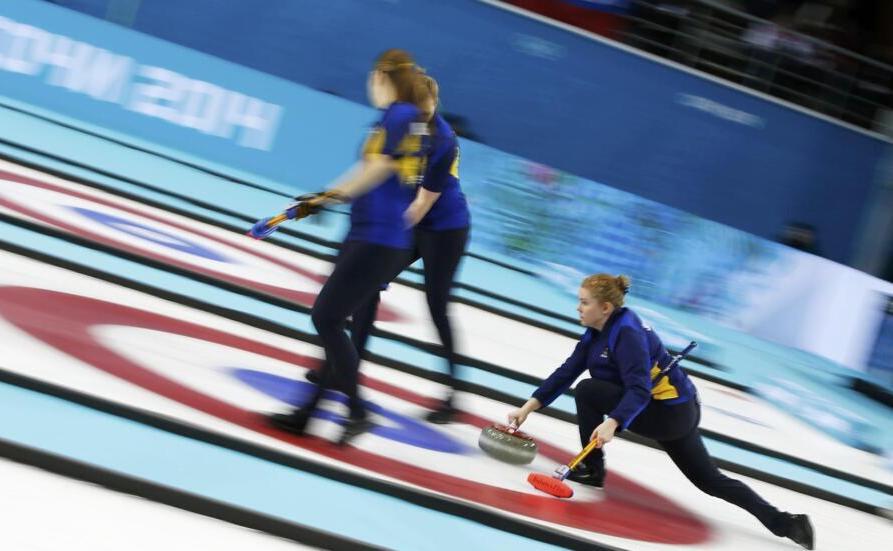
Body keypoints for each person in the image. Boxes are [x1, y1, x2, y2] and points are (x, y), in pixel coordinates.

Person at [507, 274, 815, 550]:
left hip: (670, 413)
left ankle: (592, 468)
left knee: (589, 389)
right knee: (709, 480)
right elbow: (567, 371)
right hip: (674, 410)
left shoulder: (627, 334)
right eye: (579, 301)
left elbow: (639, 389)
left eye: (584, 302)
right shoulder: (596, 332)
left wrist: (612, 422)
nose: (578, 307)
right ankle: (788, 523)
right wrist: (528, 407)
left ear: (605, 308)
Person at [269, 49, 432, 445]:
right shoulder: (410, 120)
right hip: (373, 235)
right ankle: (307, 414)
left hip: (376, 238)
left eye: (371, 80)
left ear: (381, 76)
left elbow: (377, 169)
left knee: (326, 319)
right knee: (334, 322)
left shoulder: (399, 116)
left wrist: (328, 197)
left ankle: (357, 410)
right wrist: (328, 197)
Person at [304, 72, 472, 424]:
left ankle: (453, 395)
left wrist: (379, 242)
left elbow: (422, 205)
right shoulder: (401, 128)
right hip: (407, 222)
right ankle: (344, 369)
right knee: (365, 292)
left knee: (436, 304)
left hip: (444, 229)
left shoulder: (444, 140)